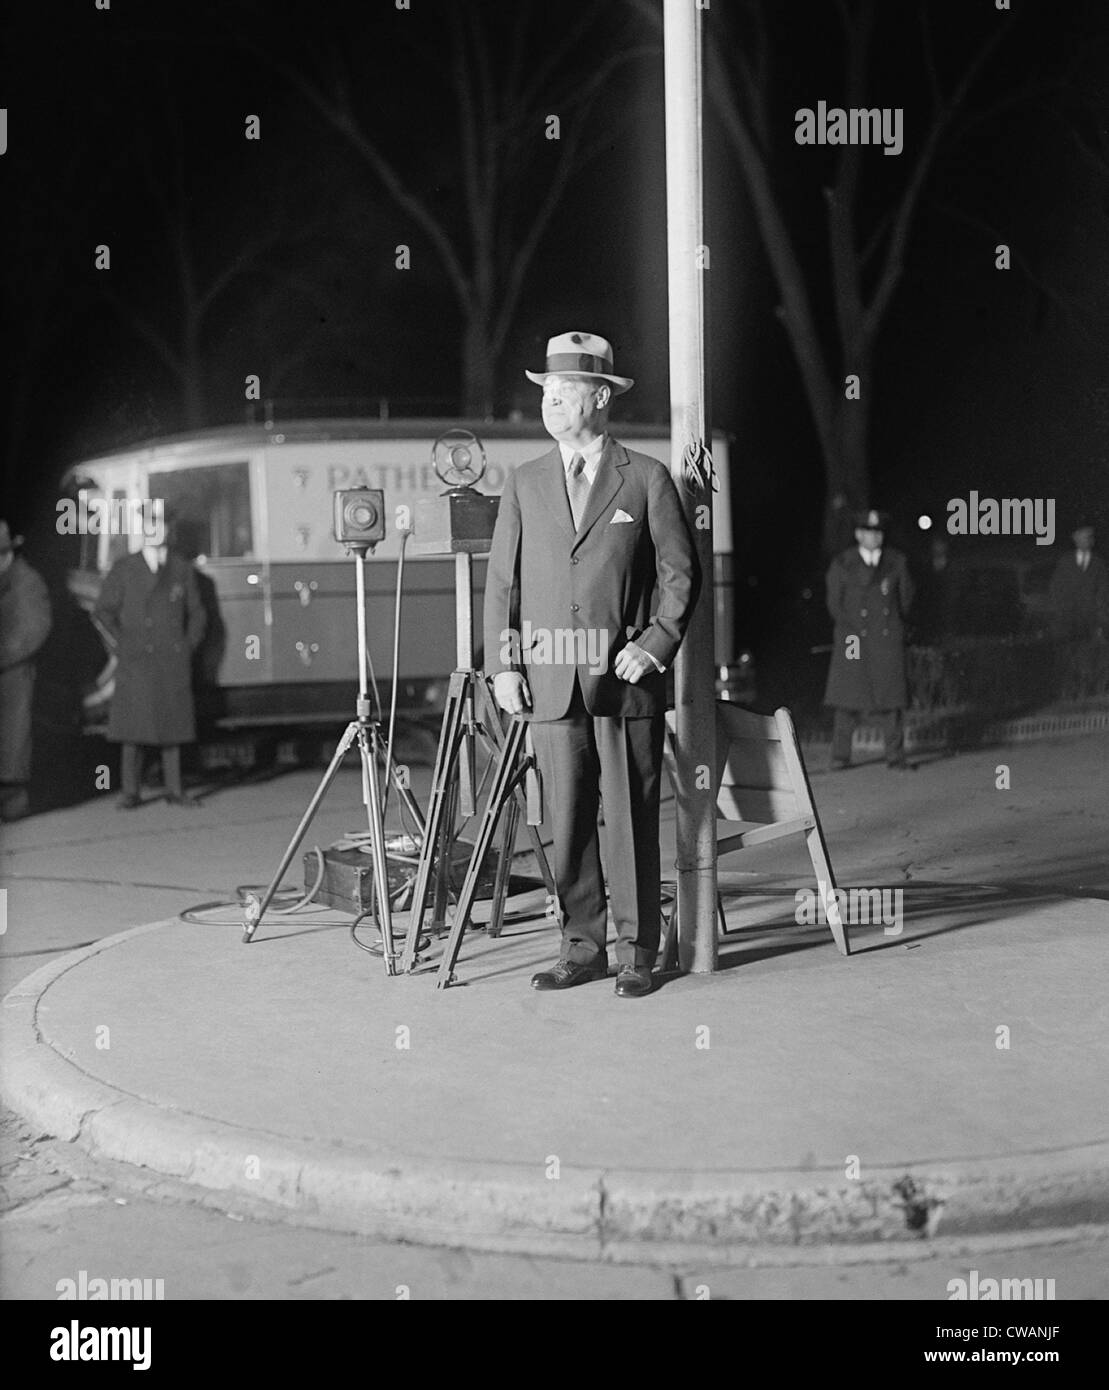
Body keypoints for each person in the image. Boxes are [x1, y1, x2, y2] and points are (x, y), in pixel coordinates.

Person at [483, 331, 699, 998]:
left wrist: (655, 644)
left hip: (625, 684)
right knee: (567, 821)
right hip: (548, 680)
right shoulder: (524, 482)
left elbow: (678, 575)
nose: (548, 404)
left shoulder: (646, 477)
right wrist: (504, 664)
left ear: (599, 397)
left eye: (561, 393)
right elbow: (502, 585)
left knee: (629, 818)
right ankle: (581, 946)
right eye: (544, 394)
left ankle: (636, 950)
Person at [94, 525, 207, 808]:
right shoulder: (124, 568)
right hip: (137, 659)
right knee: (132, 729)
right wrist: (121, 646)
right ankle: (130, 792)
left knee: (174, 729)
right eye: (150, 526)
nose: (157, 532)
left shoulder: (181, 568)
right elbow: (102, 612)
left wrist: (186, 646)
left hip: (171, 659)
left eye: (161, 525)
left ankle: (175, 790)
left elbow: (197, 613)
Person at [824, 508, 915, 771]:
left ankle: (895, 756)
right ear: (858, 534)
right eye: (868, 532)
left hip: (886, 636)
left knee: (892, 700)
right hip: (853, 638)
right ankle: (841, 756)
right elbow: (834, 604)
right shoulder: (843, 563)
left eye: (878, 532)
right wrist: (852, 628)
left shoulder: (896, 562)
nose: (874, 537)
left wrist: (894, 625)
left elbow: (906, 598)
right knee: (847, 698)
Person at [0, 520, 52, 821]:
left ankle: (13, 804)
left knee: (12, 746)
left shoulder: (28, 581)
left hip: (14, 679)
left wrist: (4, 655)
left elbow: (34, 631)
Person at [1048, 521, 1108, 642]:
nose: (1089, 540)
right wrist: (1061, 613)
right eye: (1086, 536)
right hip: (1067, 621)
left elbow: (1103, 592)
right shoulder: (1065, 562)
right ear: (1076, 538)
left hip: (1090, 622)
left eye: (1091, 537)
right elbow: (1056, 589)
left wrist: (1102, 620)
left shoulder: (1099, 564)